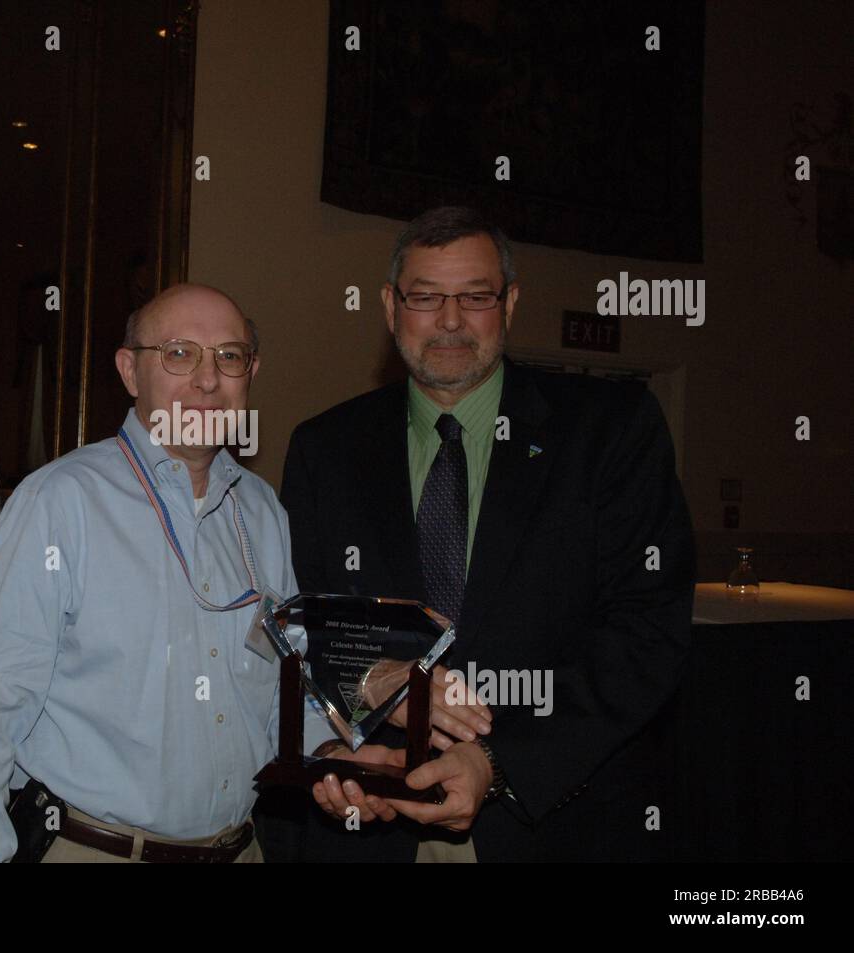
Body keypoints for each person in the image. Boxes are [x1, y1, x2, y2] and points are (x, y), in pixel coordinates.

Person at [257, 206, 695, 862]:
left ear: (511, 302)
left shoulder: (610, 430)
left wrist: (499, 760)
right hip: (373, 824)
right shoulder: (326, 448)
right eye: (426, 296)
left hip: (549, 822)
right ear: (389, 305)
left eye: (476, 296)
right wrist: (337, 744)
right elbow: (305, 628)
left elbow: (647, 636)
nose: (451, 320)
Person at [0, 284, 331, 862]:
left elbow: (284, 690)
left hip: (239, 849)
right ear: (130, 370)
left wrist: (334, 756)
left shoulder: (263, 512)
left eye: (229, 356)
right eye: (179, 354)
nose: (207, 380)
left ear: (251, 371)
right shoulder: (61, 500)